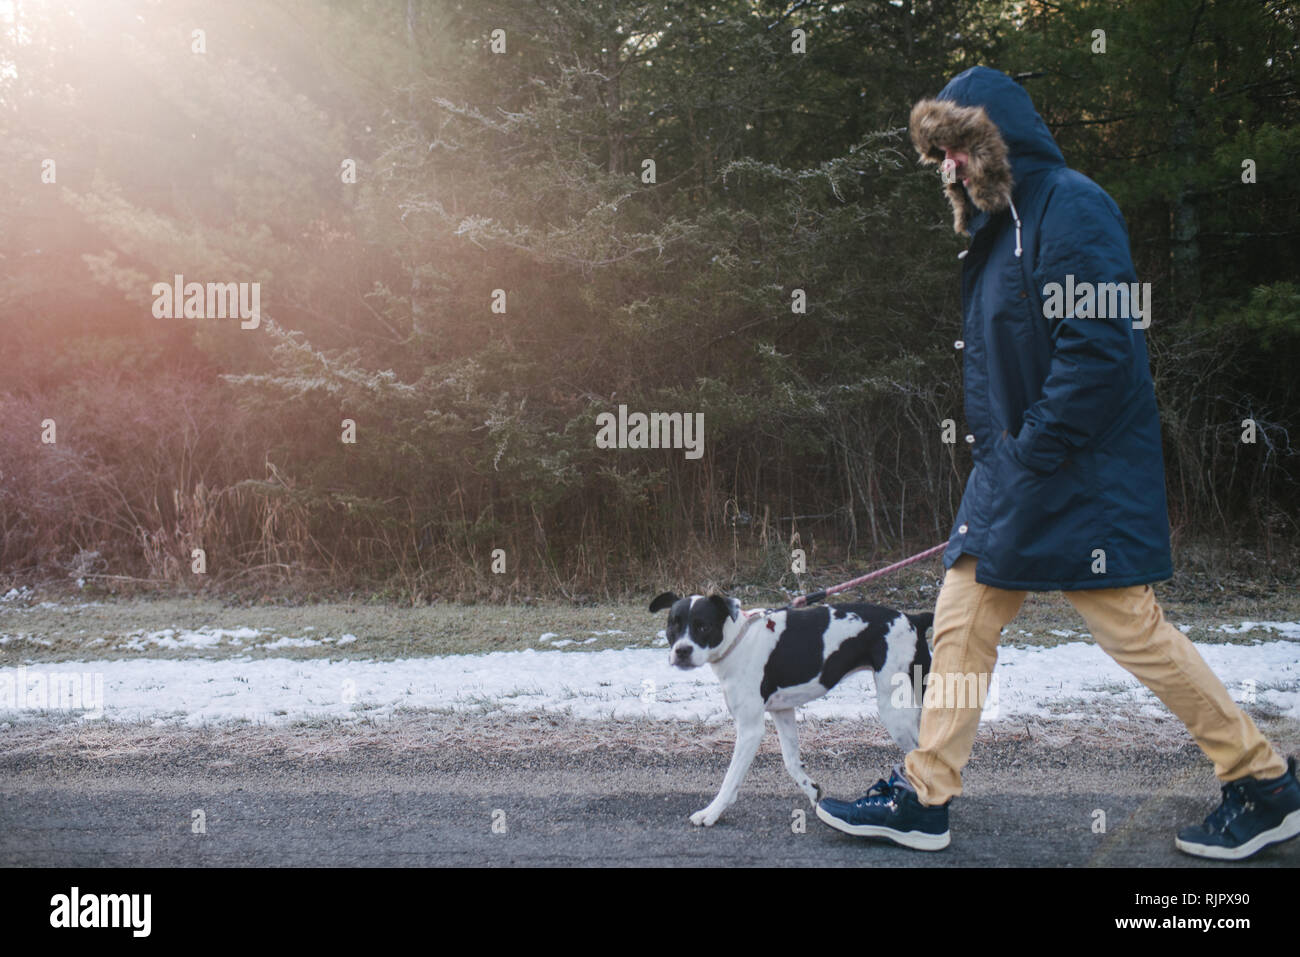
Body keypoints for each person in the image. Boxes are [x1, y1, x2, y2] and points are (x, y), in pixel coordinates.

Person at [815, 66, 1300, 860]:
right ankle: (924, 791)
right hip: (1021, 471)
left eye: (954, 150)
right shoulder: (998, 228)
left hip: (1080, 472)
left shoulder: (1071, 206)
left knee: (1131, 629)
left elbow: (1101, 350)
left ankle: (1264, 780)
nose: (946, 168)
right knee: (963, 615)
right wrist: (1007, 458)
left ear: (988, 141)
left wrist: (1030, 449)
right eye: (937, 155)